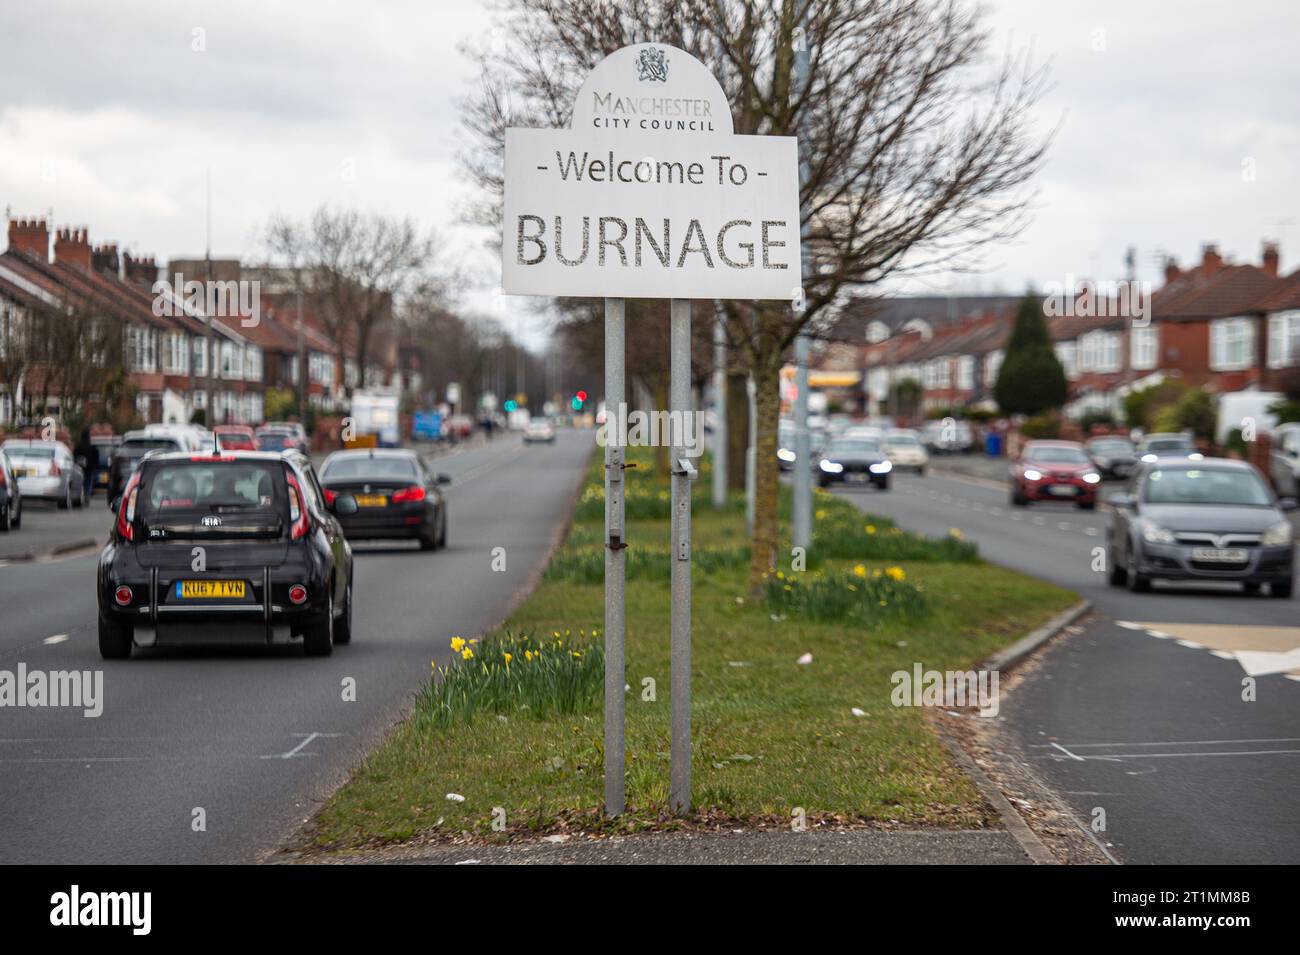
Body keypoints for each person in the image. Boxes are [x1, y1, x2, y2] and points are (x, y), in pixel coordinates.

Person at [75, 427, 98, 498]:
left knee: (81, 481)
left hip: (80, 467)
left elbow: (75, 455)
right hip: (90, 468)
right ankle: (87, 494)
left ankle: (82, 493)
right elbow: (96, 457)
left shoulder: (79, 447)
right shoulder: (91, 447)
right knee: (88, 481)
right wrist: (95, 465)